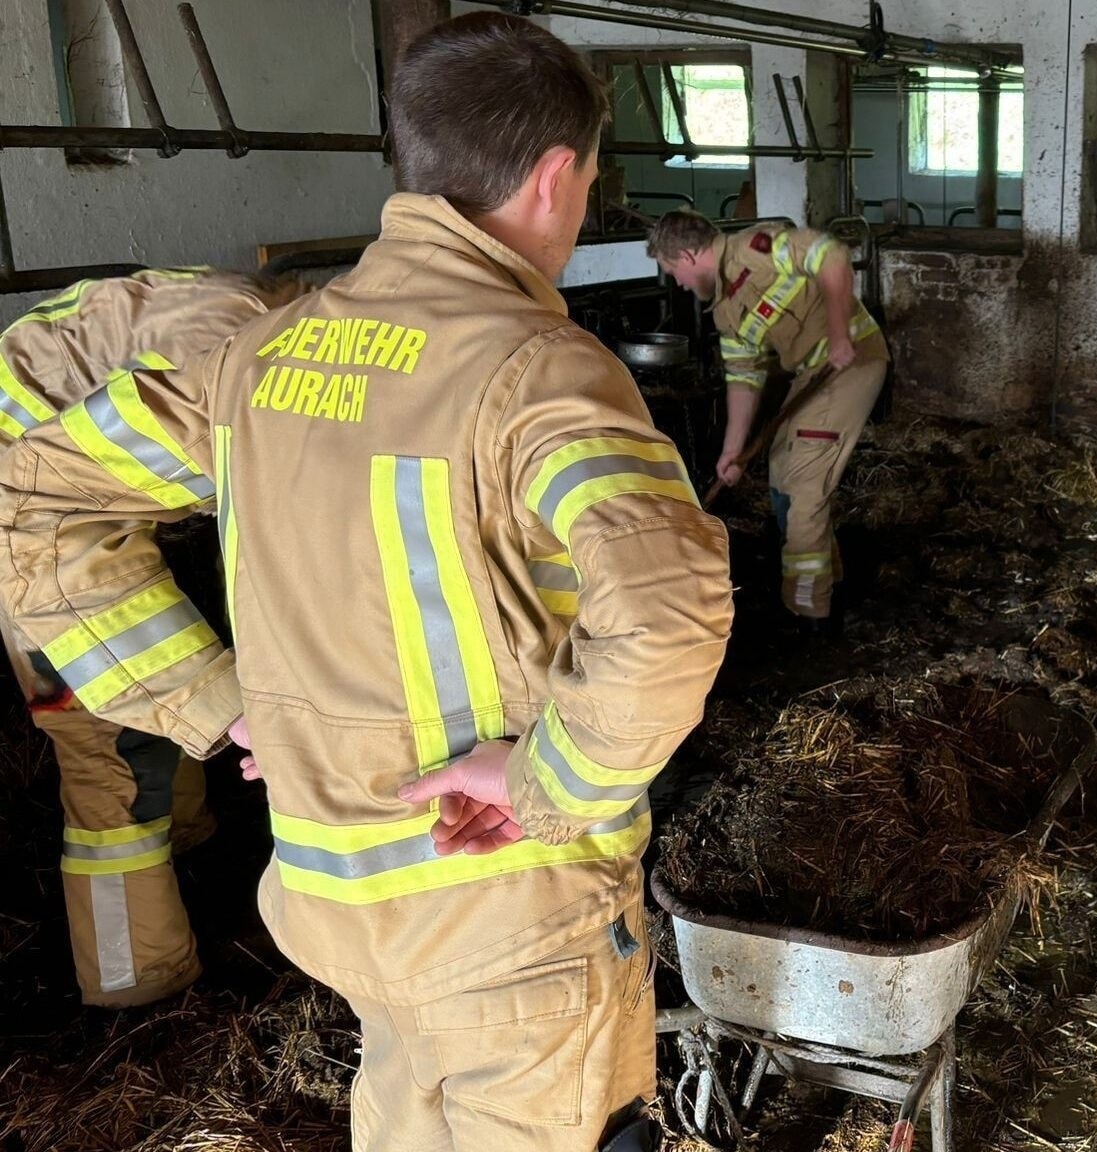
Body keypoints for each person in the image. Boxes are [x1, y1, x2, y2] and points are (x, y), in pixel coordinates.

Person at [0, 14, 733, 1151]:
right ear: (554, 178)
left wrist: (214, 702)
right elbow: (671, 606)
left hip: (337, 901)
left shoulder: (259, 357)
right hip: (507, 919)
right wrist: (549, 785)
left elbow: (30, 505)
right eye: (588, 181)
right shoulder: (535, 370)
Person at [0, 267, 298, 1006]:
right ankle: (138, 988)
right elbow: (47, 537)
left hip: (86, 504)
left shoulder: (278, 343)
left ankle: (193, 851)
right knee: (111, 760)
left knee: (166, 713)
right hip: (26, 546)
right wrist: (232, 710)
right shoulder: (224, 377)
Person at [648, 208, 888, 629]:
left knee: (804, 486)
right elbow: (744, 377)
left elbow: (830, 254)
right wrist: (733, 453)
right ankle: (831, 578)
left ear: (687, 256)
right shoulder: (725, 311)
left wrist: (837, 331)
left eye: (673, 272)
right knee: (781, 470)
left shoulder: (756, 249)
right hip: (813, 373)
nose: (679, 284)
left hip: (850, 363)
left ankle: (808, 613)